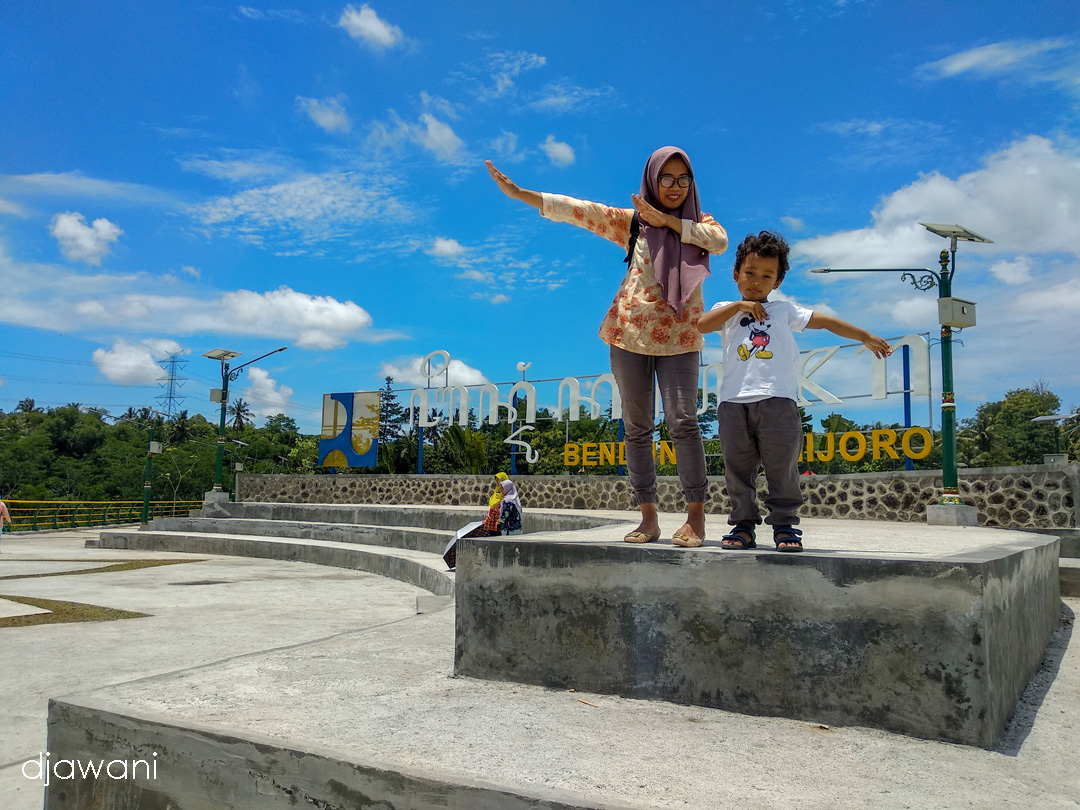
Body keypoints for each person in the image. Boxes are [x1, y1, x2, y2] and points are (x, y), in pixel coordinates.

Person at [487, 147, 728, 548]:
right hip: (628, 334)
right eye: (665, 178)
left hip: (680, 338)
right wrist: (522, 195)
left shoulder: (701, 223)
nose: (674, 186)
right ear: (652, 179)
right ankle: (648, 519)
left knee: (684, 423)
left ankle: (695, 519)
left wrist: (667, 221)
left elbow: (718, 242)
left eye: (682, 179)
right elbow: (580, 210)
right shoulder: (634, 223)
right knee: (637, 429)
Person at [696, 230, 892, 552]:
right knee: (737, 470)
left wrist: (864, 335)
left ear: (777, 281)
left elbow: (827, 322)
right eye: (749, 273)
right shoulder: (727, 310)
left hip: (778, 402)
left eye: (766, 276)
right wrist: (738, 306)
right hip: (734, 403)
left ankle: (784, 526)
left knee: (782, 467)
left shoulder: (784, 311)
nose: (756, 281)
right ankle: (743, 525)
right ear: (736, 274)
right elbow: (703, 325)